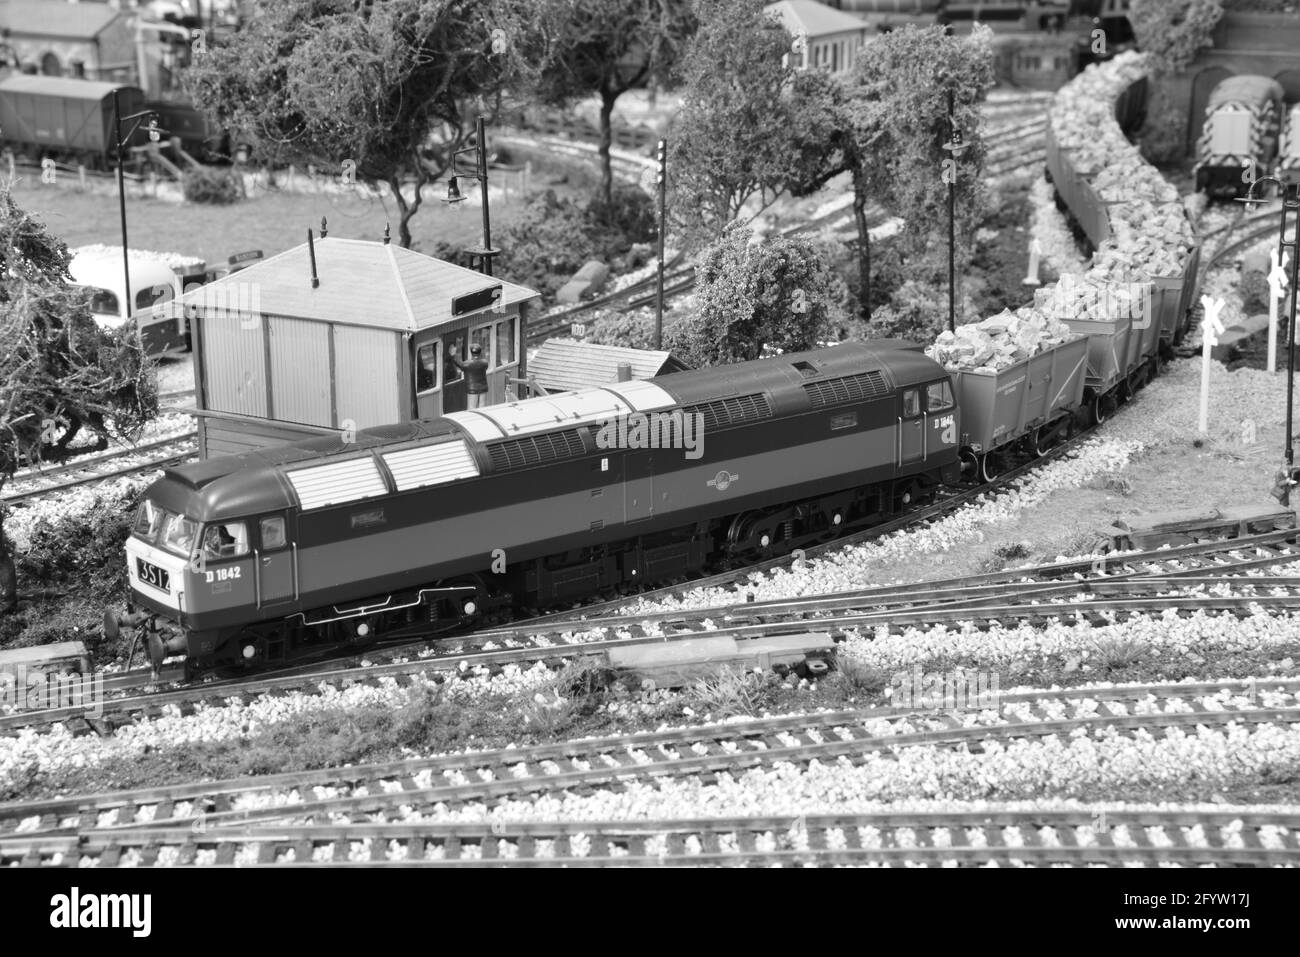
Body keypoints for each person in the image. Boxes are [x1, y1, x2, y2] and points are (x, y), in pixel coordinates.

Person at [448, 342, 490, 409]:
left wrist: (453, 354)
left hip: (472, 389)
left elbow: (458, 363)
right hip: (483, 388)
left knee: (472, 407)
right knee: (482, 406)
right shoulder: (485, 362)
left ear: (471, 352)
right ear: (480, 352)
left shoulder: (467, 364)